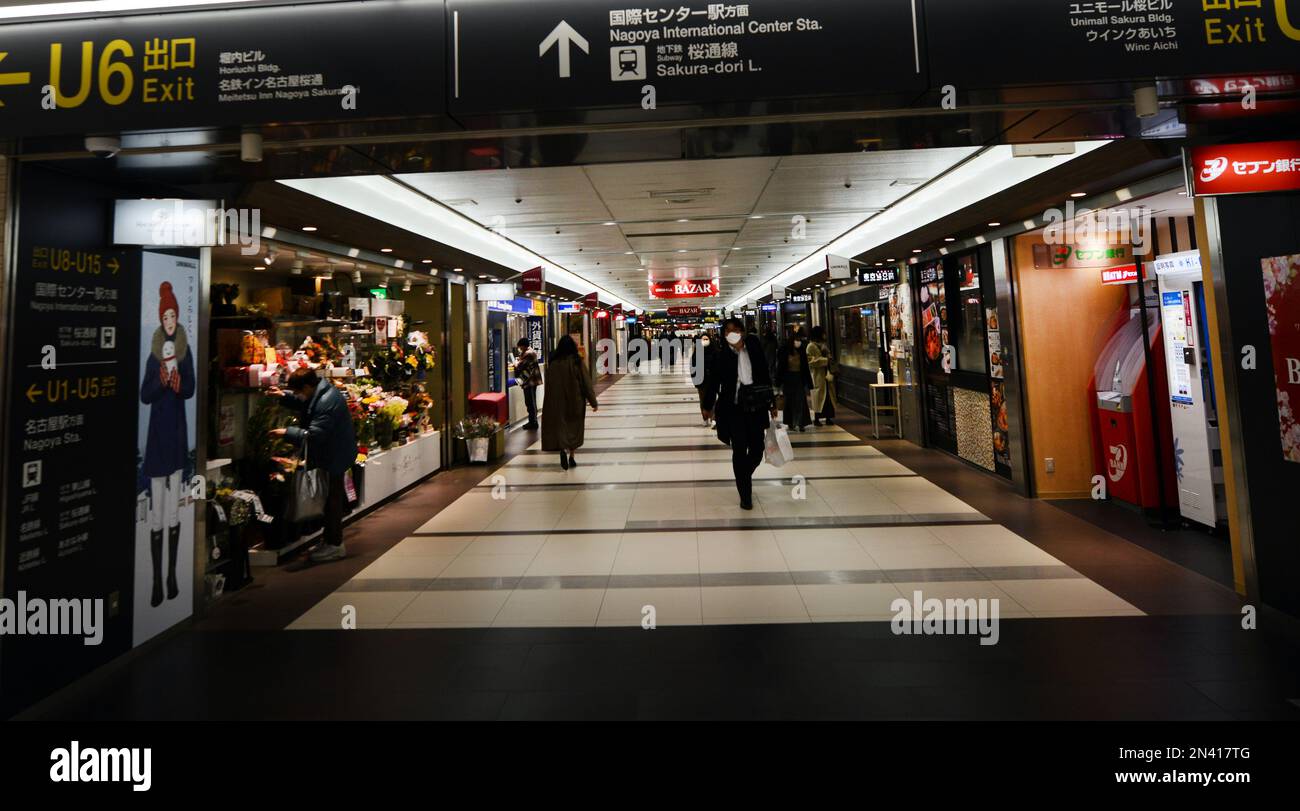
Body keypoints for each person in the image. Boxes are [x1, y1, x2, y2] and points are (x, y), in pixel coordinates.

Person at [140, 281, 196, 607]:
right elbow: (145, 395)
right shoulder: (153, 357)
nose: (170, 320)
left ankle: (173, 576)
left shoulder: (185, 354)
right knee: (157, 510)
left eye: (174, 315)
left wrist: (178, 382)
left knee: (172, 506)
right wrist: (162, 381)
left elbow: (189, 390)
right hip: (157, 436)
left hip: (176, 434)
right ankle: (156, 582)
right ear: (162, 319)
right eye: (166, 316)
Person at [269, 367, 357, 562]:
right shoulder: (321, 394)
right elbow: (306, 403)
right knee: (328, 498)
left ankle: (335, 545)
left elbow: (316, 434)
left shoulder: (326, 401)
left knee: (332, 501)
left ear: (309, 386)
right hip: (333, 452)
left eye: (299, 391)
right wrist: (284, 396)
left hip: (335, 455)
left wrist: (287, 433)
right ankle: (329, 540)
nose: (298, 396)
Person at [699, 319, 778, 510]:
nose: (731, 334)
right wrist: (707, 405)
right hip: (733, 409)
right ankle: (745, 494)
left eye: (735, 330)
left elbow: (764, 375)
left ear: (742, 332)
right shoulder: (721, 355)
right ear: (724, 335)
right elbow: (713, 381)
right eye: (727, 331)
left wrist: (772, 403)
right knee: (740, 450)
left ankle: (744, 475)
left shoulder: (754, 348)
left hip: (756, 407)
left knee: (757, 450)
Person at [542, 334, 598, 469]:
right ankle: (572, 456)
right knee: (574, 428)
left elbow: (548, 385)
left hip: (557, 403)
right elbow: (586, 383)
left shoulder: (553, 363)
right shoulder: (577, 362)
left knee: (561, 427)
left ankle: (562, 450)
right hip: (575, 401)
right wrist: (593, 402)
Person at [777, 325, 814, 432]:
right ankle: (790, 422)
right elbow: (780, 367)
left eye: (799, 340)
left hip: (799, 378)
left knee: (800, 400)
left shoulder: (802, 350)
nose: (799, 342)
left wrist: (809, 383)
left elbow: (805, 367)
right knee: (789, 401)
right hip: (788, 379)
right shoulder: (784, 350)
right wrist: (778, 382)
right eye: (797, 340)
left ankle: (801, 423)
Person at [806, 325, 837, 426]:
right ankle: (817, 418)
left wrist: (828, 357)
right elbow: (810, 361)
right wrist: (825, 360)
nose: (825, 335)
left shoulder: (823, 345)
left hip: (827, 375)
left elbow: (830, 356)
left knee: (828, 398)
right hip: (817, 376)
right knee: (818, 398)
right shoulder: (810, 346)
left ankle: (828, 417)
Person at [513, 338, 542, 430]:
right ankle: (532, 421)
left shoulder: (529, 354)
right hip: (530, 381)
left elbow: (519, 366)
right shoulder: (529, 352)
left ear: (523, 345)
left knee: (530, 402)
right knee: (530, 401)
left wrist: (516, 362)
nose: (519, 348)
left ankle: (533, 422)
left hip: (530, 381)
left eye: (520, 346)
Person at [695, 330, 720, 425]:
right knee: (703, 399)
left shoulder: (715, 352)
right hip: (701, 381)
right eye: (703, 339)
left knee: (712, 398)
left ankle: (713, 418)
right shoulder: (697, 352)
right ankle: (705, 418)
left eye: (706, 339)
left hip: (712, 380)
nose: (704, 341)